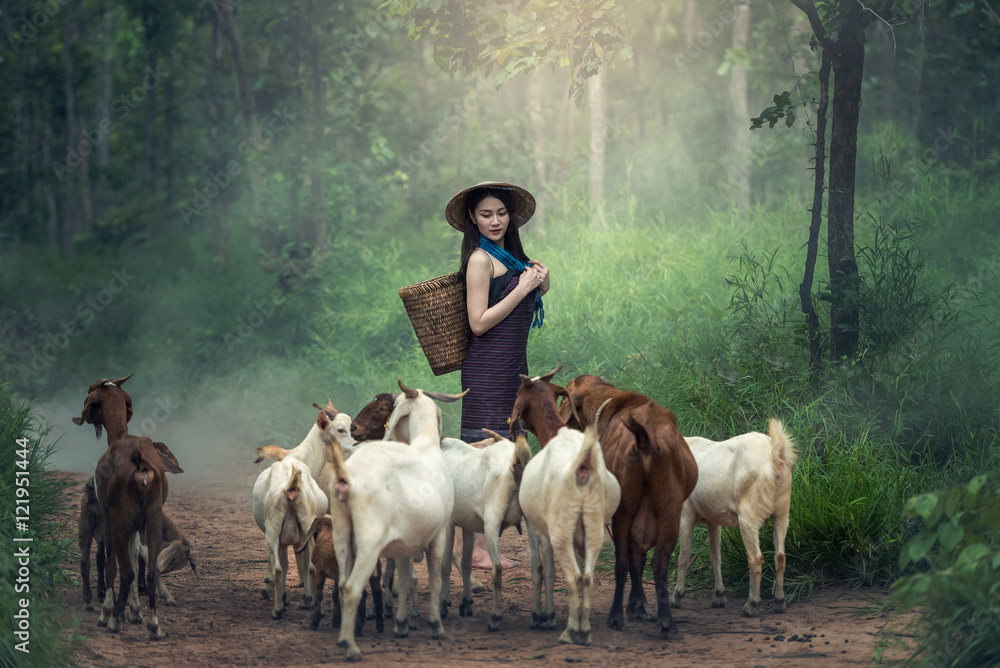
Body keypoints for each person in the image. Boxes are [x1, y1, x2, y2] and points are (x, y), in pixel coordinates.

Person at [446, 181, 549, 569]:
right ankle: (471, 549)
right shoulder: (479, 260)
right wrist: (523, 288)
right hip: (487, 370)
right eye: (486, 214)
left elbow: (518, 302)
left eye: (501, 213)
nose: (495, 221)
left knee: (507, 452)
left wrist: (539, 281)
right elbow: (479, 322)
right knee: (480, 453)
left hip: (512, 371)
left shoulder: (511, 257)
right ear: (473, 217)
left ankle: (486, 542)